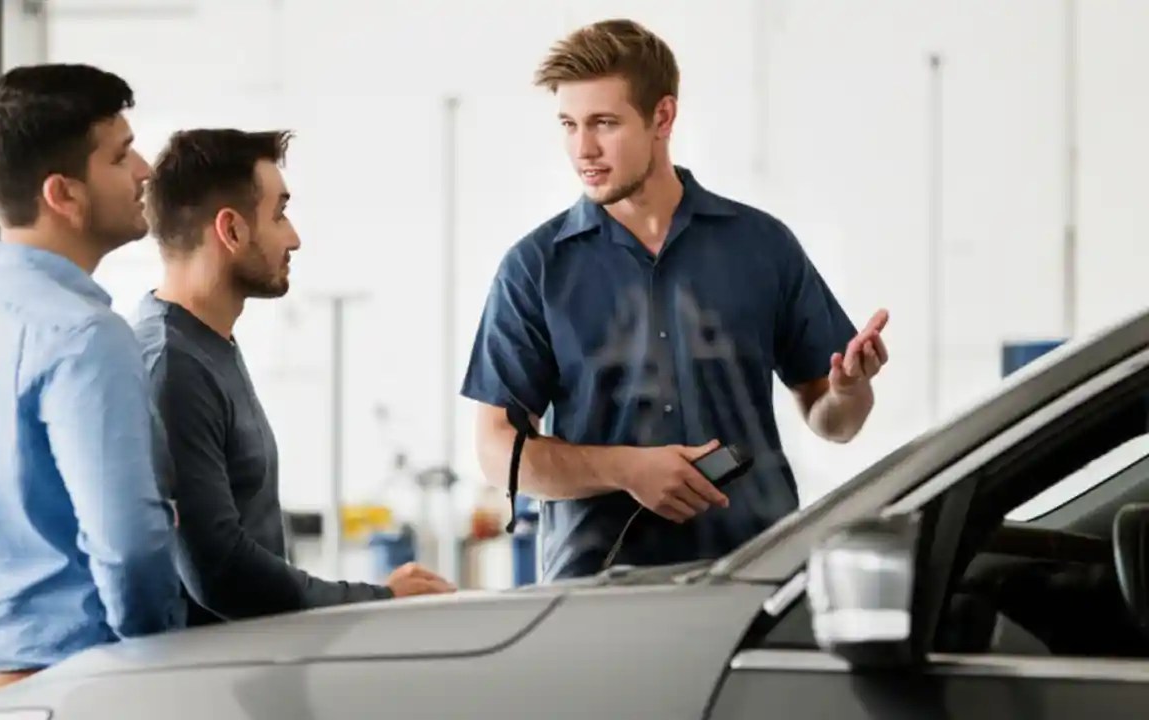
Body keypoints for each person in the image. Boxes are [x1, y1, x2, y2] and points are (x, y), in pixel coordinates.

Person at [462, 19, 891, 581]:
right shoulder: (534, 268)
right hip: (595, 595)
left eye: (604, 123)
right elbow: (499, 452)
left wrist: (849, 391)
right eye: (569, 125)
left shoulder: (762, 245)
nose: (583, 149)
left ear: (662, 117)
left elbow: (835, 422)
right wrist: (627, 470)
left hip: (754, 581)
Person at [0, 64, 184, 716]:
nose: (143, 172)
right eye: (120, 155)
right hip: (72, 692)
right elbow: (128, 547)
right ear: (63, 194)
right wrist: (162, 663)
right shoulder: (84, 335)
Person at [132, 128, 456, 627]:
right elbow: (219, 573)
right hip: (203, 669)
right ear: (231, 230)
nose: (294, 238)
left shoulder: (206, 347)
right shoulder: (173, 367)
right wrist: (376, 599)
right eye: (279, 214)